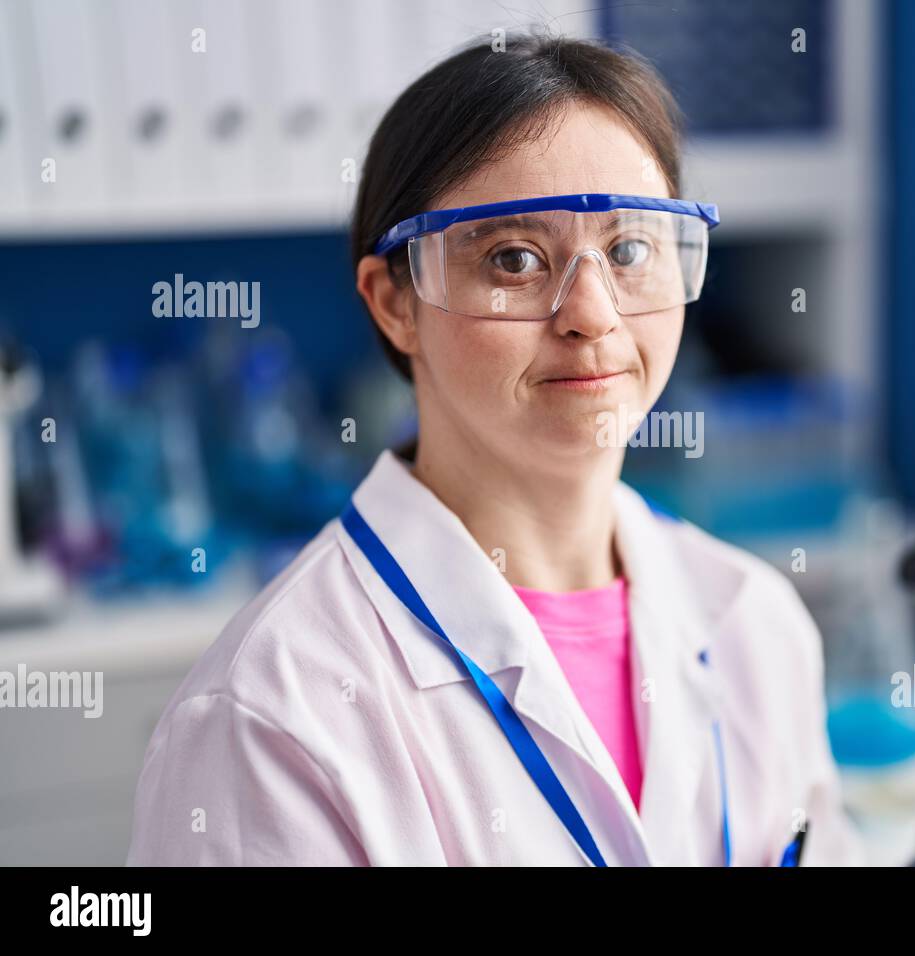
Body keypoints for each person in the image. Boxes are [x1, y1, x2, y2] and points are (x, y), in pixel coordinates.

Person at [127, 32, 864, 866]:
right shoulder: (270, 720)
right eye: (514, 259)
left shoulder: (757, 627)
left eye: (630, 250)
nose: (592, 314)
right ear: (393, 302)